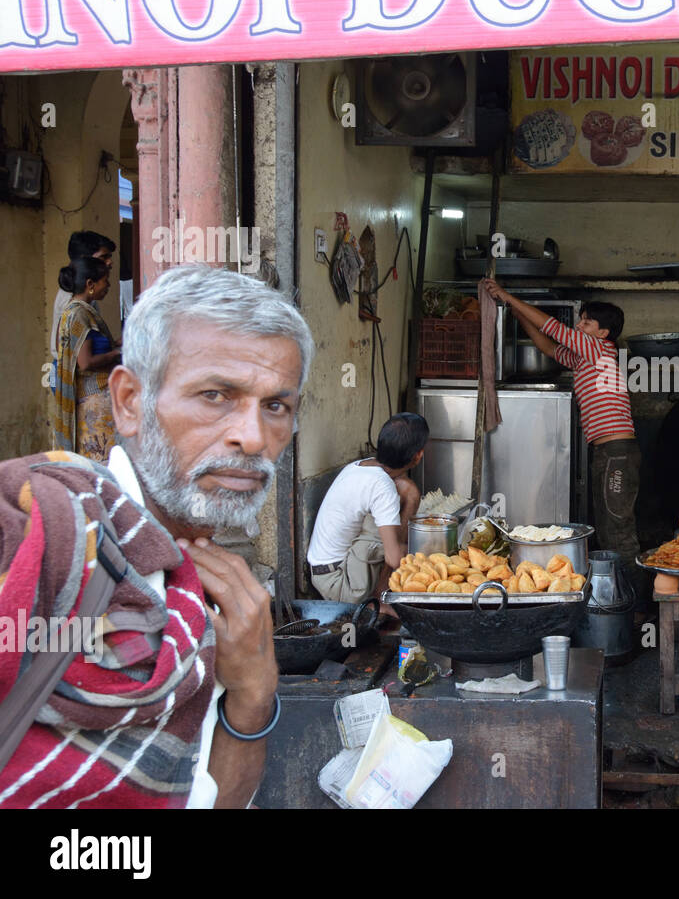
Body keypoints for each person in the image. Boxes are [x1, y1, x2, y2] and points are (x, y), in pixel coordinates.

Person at [0, 265, 313, 808]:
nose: (253, 436)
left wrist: (254, 694)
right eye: (216, 395)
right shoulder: (45, 528)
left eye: (276, 406)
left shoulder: (202, 587)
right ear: (128, 402)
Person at [483, 280, 641, 566]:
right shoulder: (585, 358)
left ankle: (638, 606)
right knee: (607, 526)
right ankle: (617, 595)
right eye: (580, 321)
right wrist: (516, 312)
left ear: (603, 333)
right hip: (609, 453)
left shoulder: (599, 349)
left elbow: (553, 328)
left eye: (587, 323)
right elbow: (547, 346)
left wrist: (508, 295)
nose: (580, 326)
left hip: (617, 453)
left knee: (618, 527)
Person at [306, 412, 427, 604]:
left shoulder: (360, 466)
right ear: (418, 456)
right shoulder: (382, 486)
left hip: (324, 571)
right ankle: (379, 601)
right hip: (339, 584)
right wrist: (423, 554)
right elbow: (394, 559)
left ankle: (380, 592)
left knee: (406, 491)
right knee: (396, 517)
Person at [52, 255, 122, 462]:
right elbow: (86, 362)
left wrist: (113, 345)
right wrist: (119, 354)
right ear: (90, 284)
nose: (108, 285)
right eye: (105, 281)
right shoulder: (79, 314)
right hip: (94, 401)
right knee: (100, 461)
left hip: (93, 399)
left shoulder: (74, 312)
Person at [50, 230, 116, 360]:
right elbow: (84, 361)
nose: (109, 262)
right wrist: (115, 355)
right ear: (84, 260)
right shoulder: (74, 303)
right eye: (104, 257)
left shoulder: (84, 296)